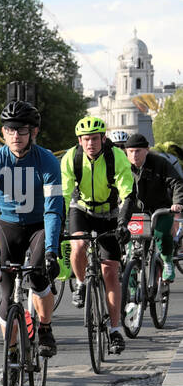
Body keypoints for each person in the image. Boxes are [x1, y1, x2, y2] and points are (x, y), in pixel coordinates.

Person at [0, 100, 64, 360]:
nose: (16, 135)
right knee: (6, 295)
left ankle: (45, 328)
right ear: (3, 132)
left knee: (39, 276)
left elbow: (52, 209)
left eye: (22, 130)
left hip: (40, 224)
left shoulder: (48, 161)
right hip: (8, 225)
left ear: (33, 133)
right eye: (10, 130)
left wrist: (51, 250)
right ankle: (13, 350)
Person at [61, 116, 134, 353]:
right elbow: (63, 194)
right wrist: (58, 222)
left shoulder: (117, 157)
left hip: (110, 213)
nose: (90, 143)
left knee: (110, 272)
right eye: (85, 139)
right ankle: (81, 283)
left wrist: (123, 223)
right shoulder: (72, 158)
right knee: (79, 245)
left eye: (94, 138)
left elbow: (128, 193)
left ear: (103, 138)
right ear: (79, 141)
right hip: (81, 209)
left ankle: (115, 330)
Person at [119, 132, 183, 284]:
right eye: (130, 151)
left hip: (160, 208)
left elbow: (176, 183)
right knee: (132, 252)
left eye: (138, 151)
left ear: (147, 150)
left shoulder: (160, 163)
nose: (134, 155)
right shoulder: (122, 165)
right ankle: (133, 296)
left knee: (162, 235)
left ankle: (167, 261)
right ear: (126, 152)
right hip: (134, 211)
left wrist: (177, 202)